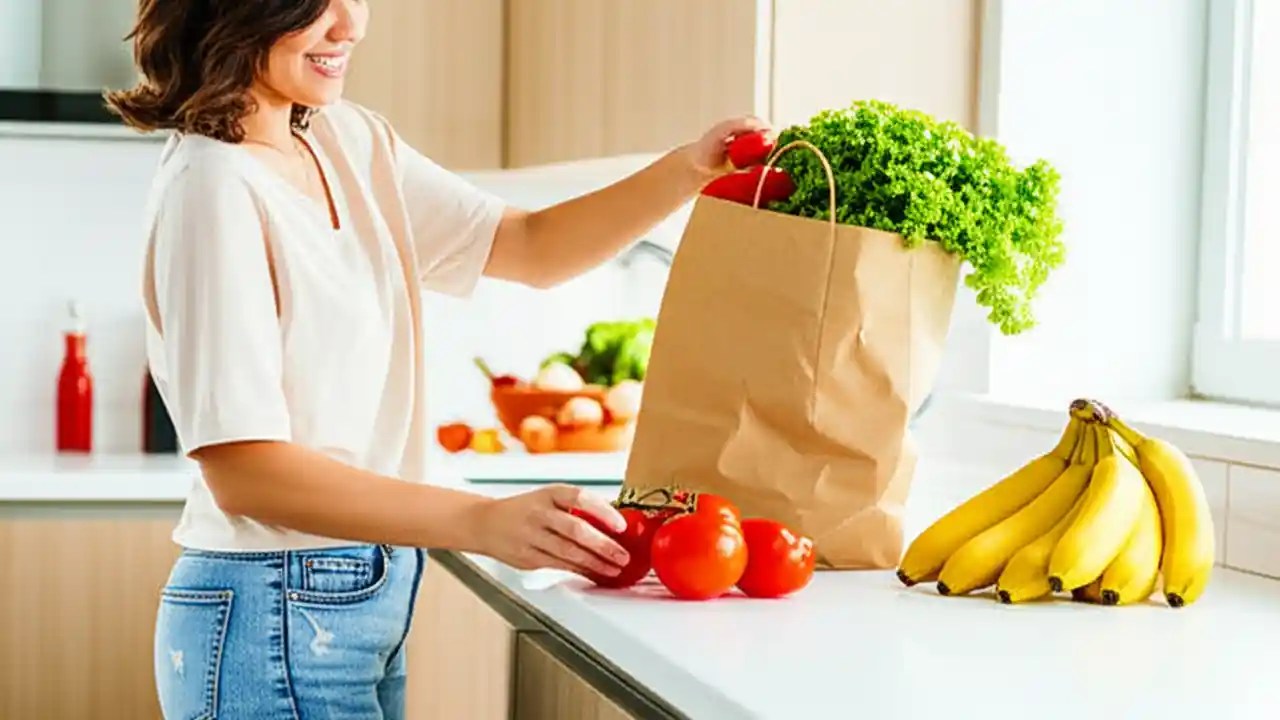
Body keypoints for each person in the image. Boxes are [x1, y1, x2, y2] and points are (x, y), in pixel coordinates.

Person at [103, 0, 769, 717]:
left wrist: (687, 170)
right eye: (318, 4)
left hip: (358, 596)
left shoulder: (347, 142)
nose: (351, 24)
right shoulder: (213, 187)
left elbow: (532, 247)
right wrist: (482, 520)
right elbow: (245, 473)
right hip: (273, 609)